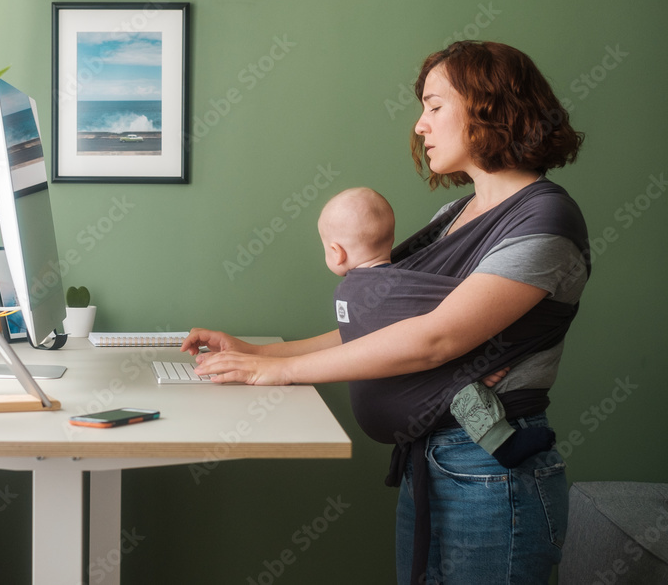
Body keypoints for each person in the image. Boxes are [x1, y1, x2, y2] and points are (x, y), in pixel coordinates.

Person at [181, 41, 588, 585]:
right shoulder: (456, 214)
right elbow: (376, 328)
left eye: (434, 106)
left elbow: (433, 340)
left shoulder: (545, 220)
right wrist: (257, 353)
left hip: (492, 472)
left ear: (490, 106)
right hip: (435, 461)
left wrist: (277, 372)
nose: (420, 125)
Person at [319, 187, 557, 469]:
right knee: (464, 396)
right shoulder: (414, 284)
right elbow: (455, 327)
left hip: (395, 405)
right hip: (416, 401)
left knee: (461, 393)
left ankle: (504, 444)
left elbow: (436, 337)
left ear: (336, 252)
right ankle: (502, 441)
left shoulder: (349, 294)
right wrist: (474, 369)